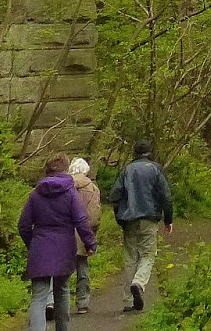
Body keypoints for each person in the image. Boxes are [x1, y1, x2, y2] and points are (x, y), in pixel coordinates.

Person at [18, 154, 96, 331]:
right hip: (64, 249)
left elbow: (23, 225)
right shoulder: (70, 193)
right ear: (66, 170)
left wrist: (32, 244)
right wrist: (90, 243)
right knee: (62, 290)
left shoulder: (35, 194)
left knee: (39, 297)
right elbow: (81, 221)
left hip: (40, 249)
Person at [108, 139, 174, 312]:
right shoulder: (155, 169)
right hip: (149, 218)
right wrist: (168, 219)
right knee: (148, 254)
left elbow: (114, 195)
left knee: (130, 257)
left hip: (129, 219)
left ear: (134, 152)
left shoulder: (126, 170)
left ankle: (129, 301)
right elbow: (165, 196)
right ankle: (139, 283)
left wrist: (119, 216)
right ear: (149, 152)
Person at [68, 158, 102, 314]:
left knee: (62, 270)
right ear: (86, 170)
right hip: (82, 234)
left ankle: (58, 303)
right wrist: (91, 235)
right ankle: (82, 303)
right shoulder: (92, 189)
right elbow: (94, 216)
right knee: (82, 268)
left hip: (63, 233)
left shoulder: (64, 186)